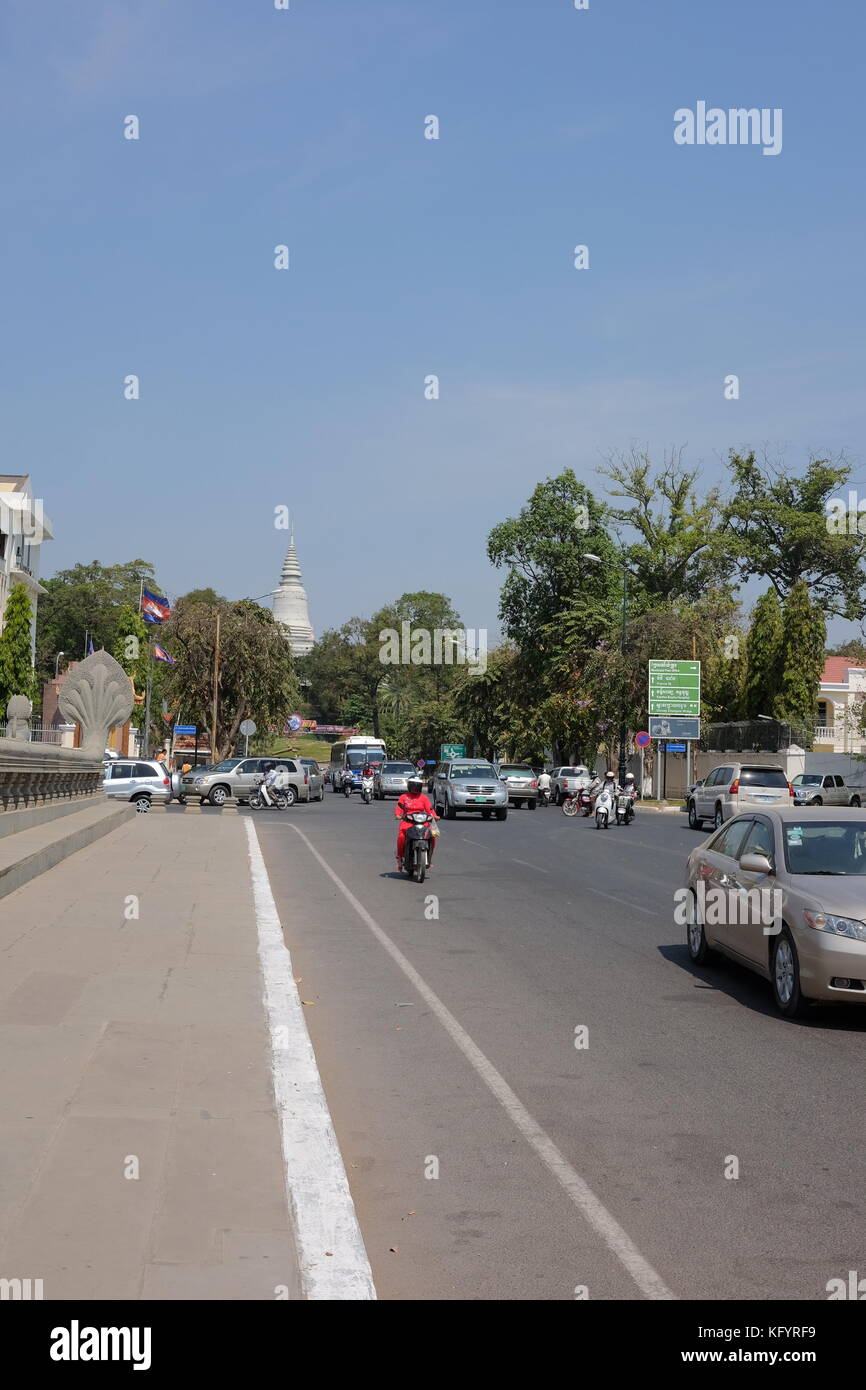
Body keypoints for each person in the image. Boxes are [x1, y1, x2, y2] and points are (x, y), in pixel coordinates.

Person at [393, 776, 439, 871]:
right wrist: (398, 815)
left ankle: (428, 859)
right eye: (414, 786)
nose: (415, 788)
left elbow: (430, 810)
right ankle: (400, 858)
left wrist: (435, 816)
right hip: (408, 822)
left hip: (423, 822)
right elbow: (399, 809)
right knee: (401, 837)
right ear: (409, 786)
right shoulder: (404, 797)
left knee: (432, 837)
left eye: (417, 786)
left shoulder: (424, 798)